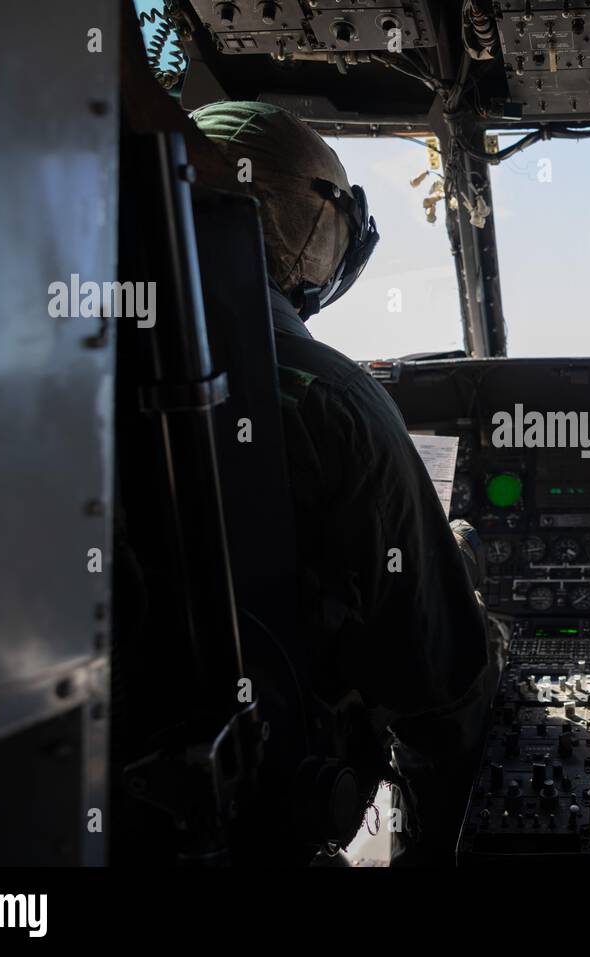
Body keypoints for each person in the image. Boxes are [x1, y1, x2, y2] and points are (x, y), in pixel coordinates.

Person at [190, 101, 494, 858]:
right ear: (306, 221)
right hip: (277, 809)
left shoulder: (47, 364)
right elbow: (440, 696)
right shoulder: (332, 398)